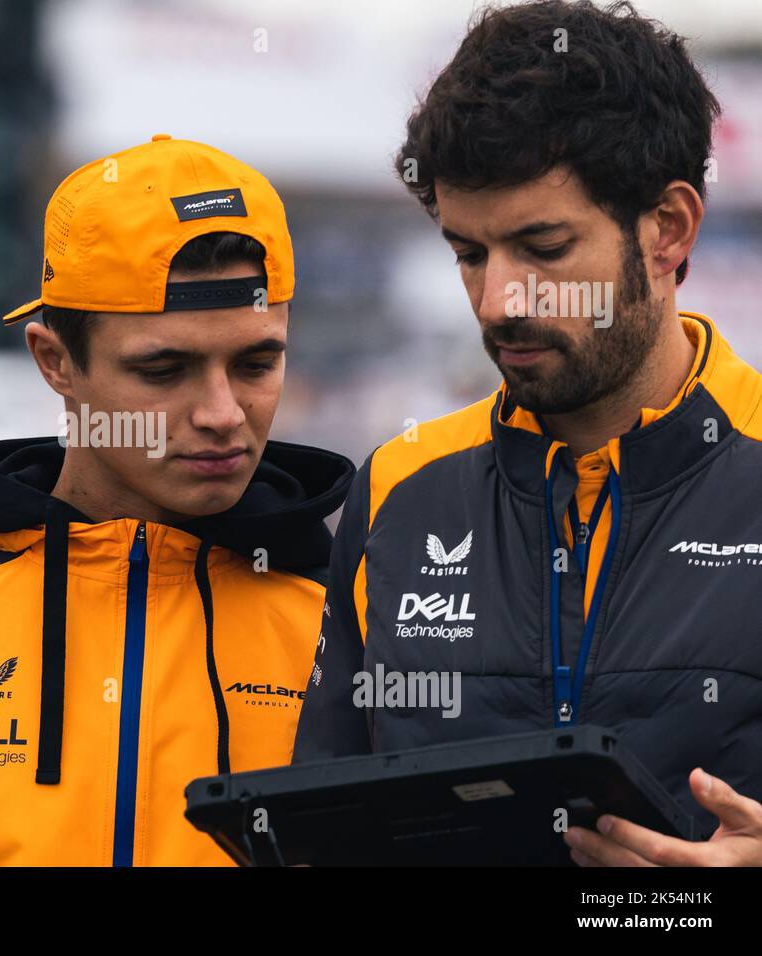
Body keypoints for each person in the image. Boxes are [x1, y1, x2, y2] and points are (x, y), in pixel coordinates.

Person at [0, 135, 354, 865]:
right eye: (164, 369)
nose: (223, 412)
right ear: (55, 361)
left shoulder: (355, 628)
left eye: (257, 363)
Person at [294, 0, 762, 866]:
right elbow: (321, 827)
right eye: (469, 252)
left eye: (542, 248)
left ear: (669, 230)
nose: (497, 300)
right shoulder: (400, 484)